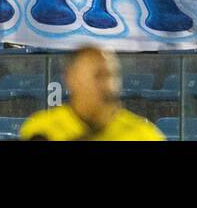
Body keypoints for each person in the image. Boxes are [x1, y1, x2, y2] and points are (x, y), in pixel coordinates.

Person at [20, 47, 163, 141]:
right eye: (98, 75)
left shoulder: (143, 134)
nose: (108, 84)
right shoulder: (41, 129)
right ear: (72, 79)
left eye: (113, 75)